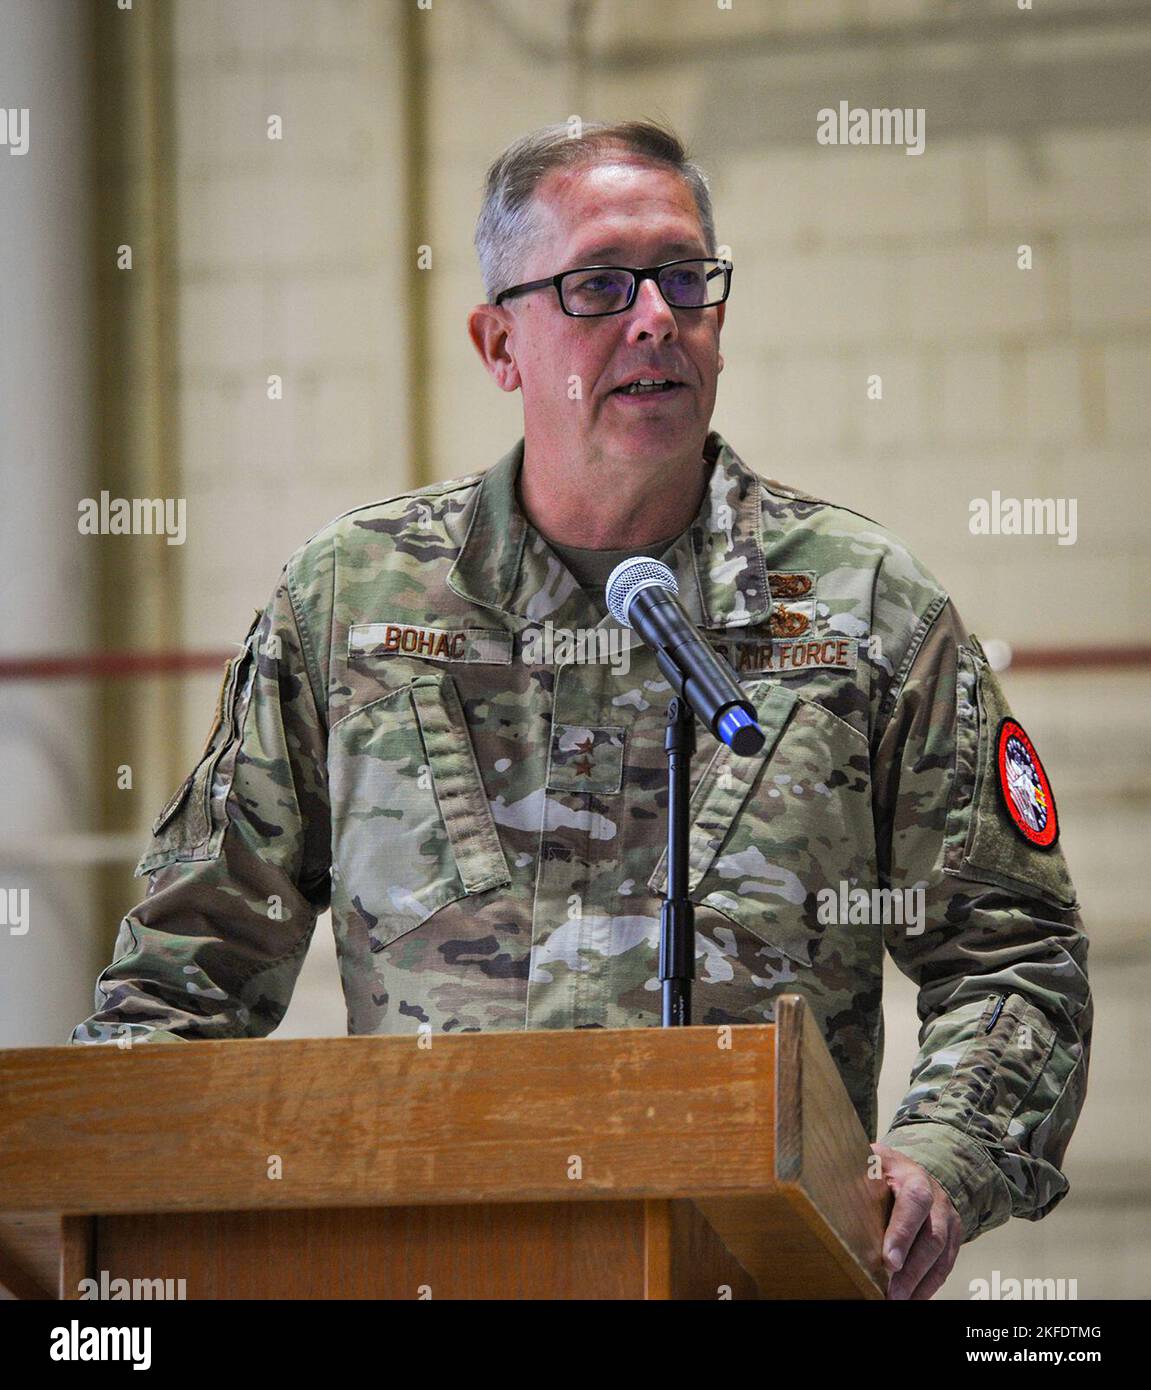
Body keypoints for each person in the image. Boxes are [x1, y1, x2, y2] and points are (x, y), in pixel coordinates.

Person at [71, 120, 1091, 1301]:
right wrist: (105, 1210)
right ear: (500, 341)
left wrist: (938, 1157)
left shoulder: (862, 609)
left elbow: (1013, 952)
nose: (655, 315)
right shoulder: (350, 603)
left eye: (684, 278)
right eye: (600, 284)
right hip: (432, 1272)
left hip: (752, 1274)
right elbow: (184, 971)